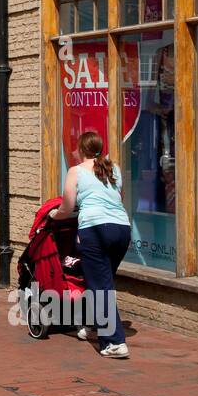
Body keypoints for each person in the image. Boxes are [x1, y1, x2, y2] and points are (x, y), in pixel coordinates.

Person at [51, 130, 133, 359]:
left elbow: (67, 208)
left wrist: (52, 217)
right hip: (122, 229)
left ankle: (115, 342)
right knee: (100, 280)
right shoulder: (113, 168)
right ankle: (93, 324)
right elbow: (120, 197)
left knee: (101, 286)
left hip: (95, 230)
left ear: (81, 149)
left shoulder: (75, 171)